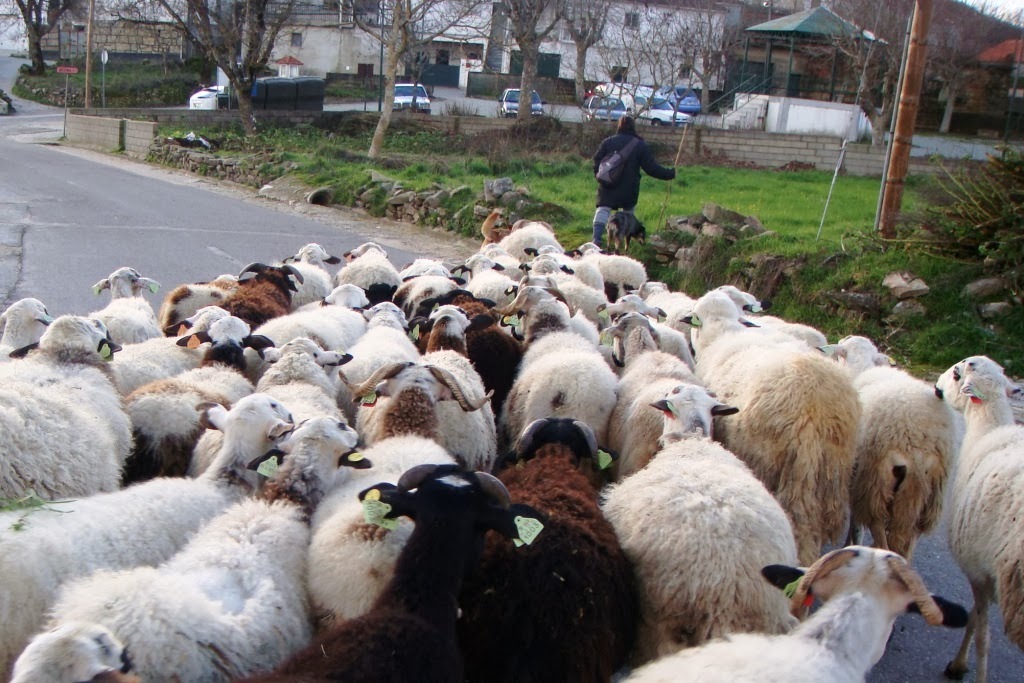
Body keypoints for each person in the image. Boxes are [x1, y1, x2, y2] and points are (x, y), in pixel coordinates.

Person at [591, 115, 675, 248]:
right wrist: (669, 174)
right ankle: (624, 245)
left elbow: (596, 160)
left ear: (619, 126)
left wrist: (599, 175)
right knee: (627, 215)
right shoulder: (640, 145)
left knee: (603, 209)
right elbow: (651, 168)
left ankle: (596, 240)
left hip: (608, 184)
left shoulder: (608, 142)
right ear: (633, 127)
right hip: (629, 189)